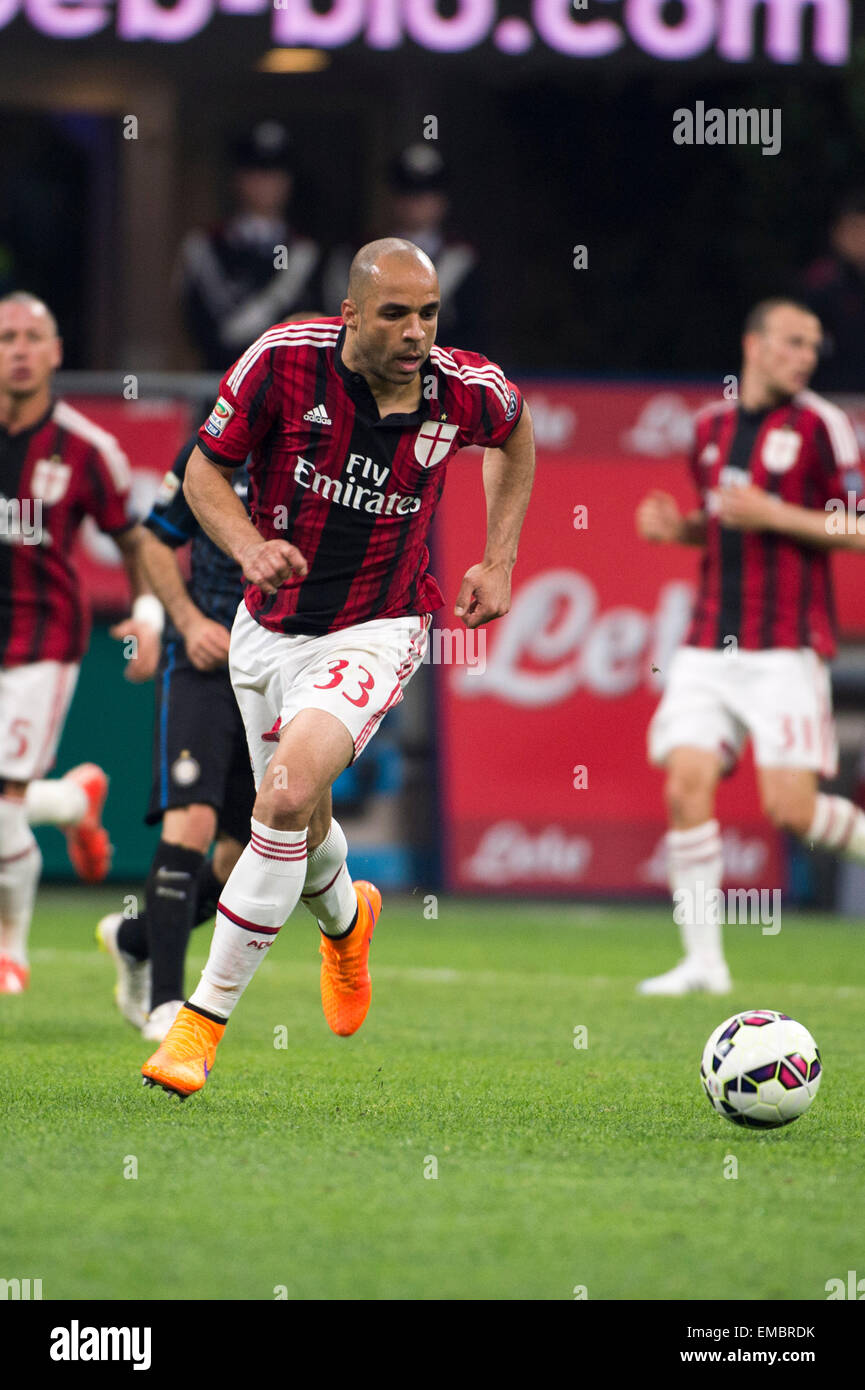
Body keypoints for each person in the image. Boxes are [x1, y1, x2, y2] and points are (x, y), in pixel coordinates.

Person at [141, 237, 534, 1098]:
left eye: (427, 313)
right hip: (267, 630)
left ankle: (196, 1028)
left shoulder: (463, 389)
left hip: (378, 625)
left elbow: (514, 430)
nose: (415, 332)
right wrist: (247, 547)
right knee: (302, 824)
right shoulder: (283, 360)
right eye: (395, 313)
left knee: (278, 796)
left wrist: (499, 558)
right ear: (351, 312)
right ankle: (348, 922)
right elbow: (205, 471)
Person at [636, 297, 865, 996]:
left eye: (811, 346)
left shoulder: (824, 426)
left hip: (784, 647)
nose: (804, 356)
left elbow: (856, 527)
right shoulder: (708, 429)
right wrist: (675, 529)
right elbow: (719, 525)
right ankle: (702, 962)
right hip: (708, 644)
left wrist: (778, 514)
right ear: (754, 345)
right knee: (685, 787)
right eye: (793, 342)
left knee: (791, 812)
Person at [0, 292, 159, 993]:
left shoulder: (88, 450)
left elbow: (136, 543)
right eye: (7, 337)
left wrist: (148, 615)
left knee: (3, 804)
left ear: (57, 352)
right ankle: (70, 804)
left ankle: (11, 947)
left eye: (34, 336)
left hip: (42, 643)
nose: (20, 349)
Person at [97, 438, 255, 1041]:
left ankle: (133, 939)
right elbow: (154, 539)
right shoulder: (215, 449)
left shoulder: (326, 453)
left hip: (278, 670)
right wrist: (185, 623)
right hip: (202, 666)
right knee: (190, 820)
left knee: (241, 859)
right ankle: (168, 1003)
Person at [176, 121, 323, 370]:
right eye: (256, 173)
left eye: (275, 175)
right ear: (238, 179)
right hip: (220, 386)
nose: (266, 184)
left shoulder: (306, 252)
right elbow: (197, 324)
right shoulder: (205, 247)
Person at [322, 145, 486, 351]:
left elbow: (474, 335)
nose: (415, 203)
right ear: (391, 198)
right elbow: (338, 325)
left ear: (443, 201)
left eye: (426, 193)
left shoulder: (463, 259)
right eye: (407, 193)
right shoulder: (354, 255)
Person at [797, 191, 865, 392]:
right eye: (854, 229)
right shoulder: (819, 283)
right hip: (830, 395)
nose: (861, 238)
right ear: (838, 234)